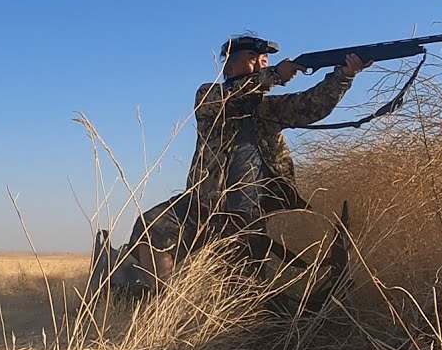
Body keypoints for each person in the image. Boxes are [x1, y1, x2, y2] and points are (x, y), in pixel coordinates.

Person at [129, 34, 370, 292]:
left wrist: (344, 75)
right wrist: (274, 75)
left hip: (254, 214)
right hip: (204, 206)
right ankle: (167, 302)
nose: (260, 64)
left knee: (245, 288)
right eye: (252, 58)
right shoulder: (210, 96)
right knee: (151, 228)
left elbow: (312, 106)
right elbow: (236, 96)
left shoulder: (268, 108)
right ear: (229, 68)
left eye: (264, 60)